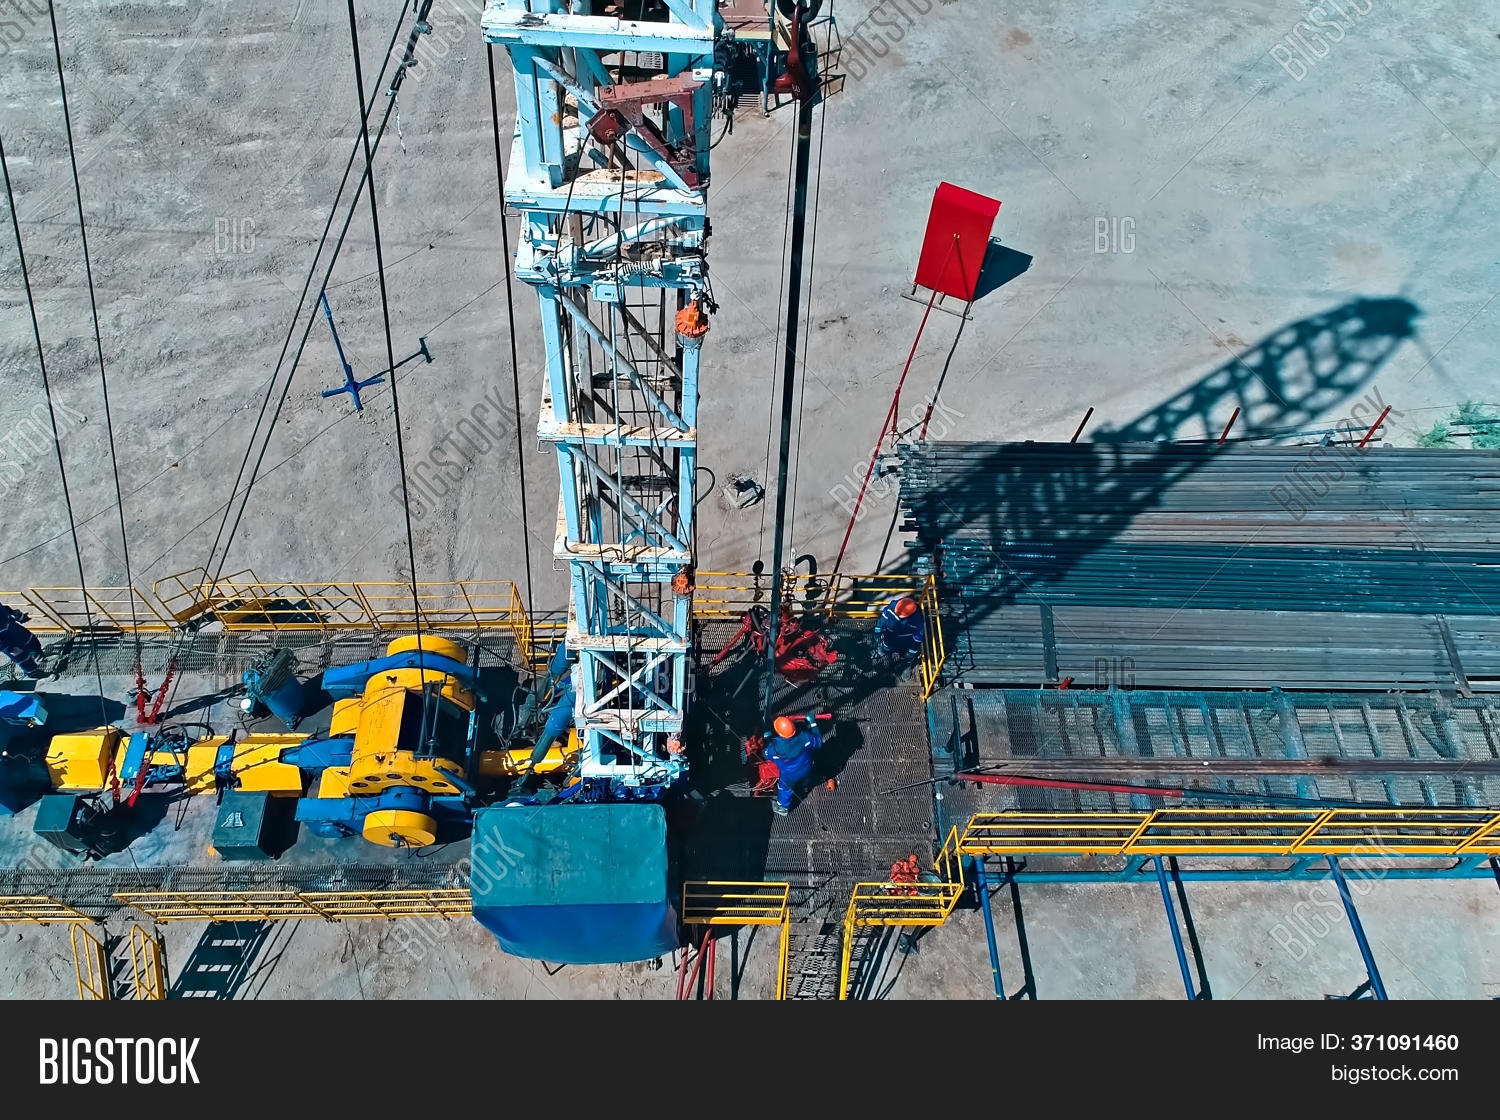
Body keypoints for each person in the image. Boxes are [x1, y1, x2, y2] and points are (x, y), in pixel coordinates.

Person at [763, 713, 822, 816]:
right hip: (806, 768)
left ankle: (782, 808)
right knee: (805, 777)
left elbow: (766, 754)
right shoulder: (804, 736)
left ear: (779, 733)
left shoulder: (775, 749)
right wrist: (812, 723)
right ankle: (805, 787)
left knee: (785, 789)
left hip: (789, 776)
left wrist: (767, 738)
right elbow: (818, 741)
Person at [0, 604, 45, 678]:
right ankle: (34, 673)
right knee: (22, 656)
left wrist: (12, 612)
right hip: (5, 640)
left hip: (12, 626)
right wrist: (8, 648)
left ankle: (38, 656)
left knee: (31, 640)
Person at [875, 595, 925, 661]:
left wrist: (911, 653)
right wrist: (878, 631)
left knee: (903, 648)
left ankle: (904, 657)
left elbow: (917, 639)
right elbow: (882, 620)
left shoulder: (917, 621)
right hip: (890, 633)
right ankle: (885, 649)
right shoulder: (891, 608)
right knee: (886, 643)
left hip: (905, 637)